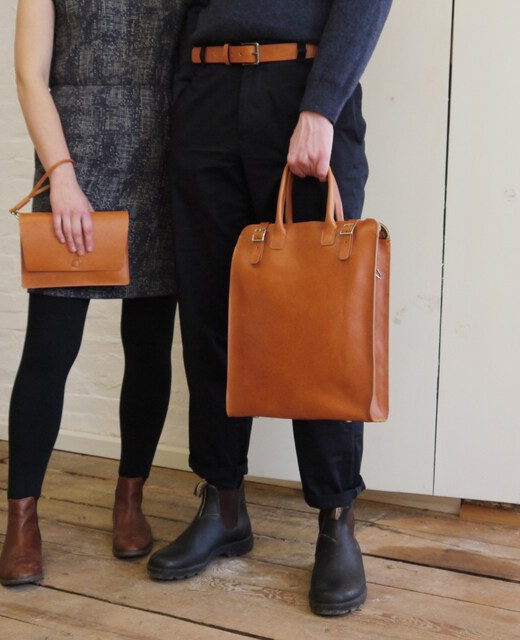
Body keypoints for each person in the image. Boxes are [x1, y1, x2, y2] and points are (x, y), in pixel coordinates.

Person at [146, 0, 392, 617]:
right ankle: (222, 503)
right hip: (206, 101)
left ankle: (337, 519)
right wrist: (186, 93)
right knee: (210, 316)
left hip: (301, 95)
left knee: (317, 328)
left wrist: (320, 105)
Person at [0, 0, 188, 586]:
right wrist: (60, 175)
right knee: (48, 352)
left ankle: (131, 497)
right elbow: (31, 74)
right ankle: (21, 520)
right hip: (73, 162)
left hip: (164, 153)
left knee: (150, 348)